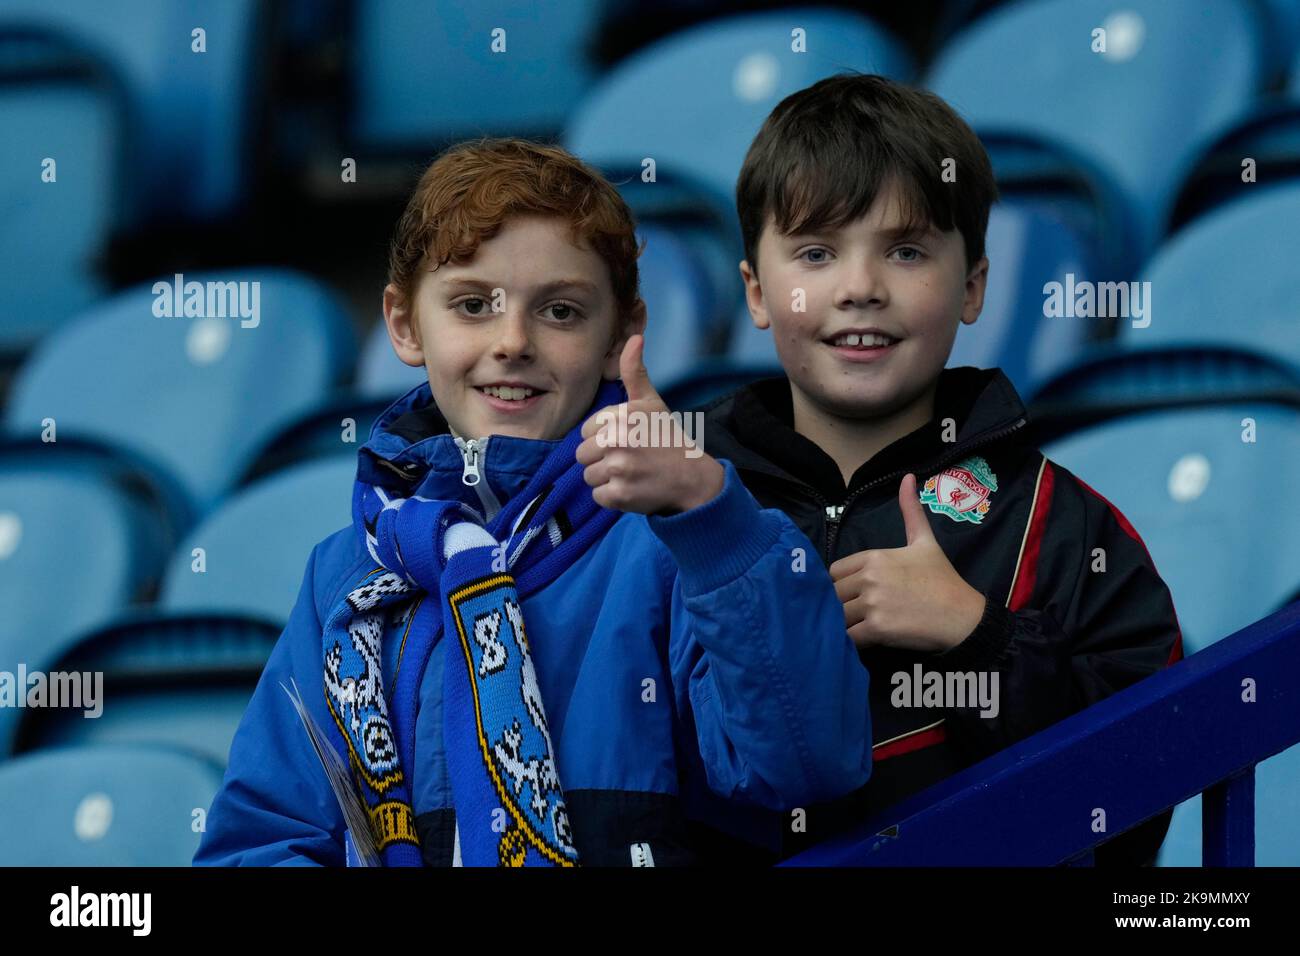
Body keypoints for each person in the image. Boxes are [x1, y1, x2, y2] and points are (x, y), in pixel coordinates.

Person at [193, 137, 871, 867]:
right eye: (473, 304)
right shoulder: (342, 578)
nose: (513, 341)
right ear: (404, 325)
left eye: (560, 311)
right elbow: (261, 841)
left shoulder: (687, 538)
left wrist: (712, 520)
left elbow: (805, 768)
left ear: (623, 334)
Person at [699, 73, 1184, 864]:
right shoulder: (691, 510)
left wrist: (980, 640)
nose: (860, 288)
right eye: (816, 252)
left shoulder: (1058, 523)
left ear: (973, 286)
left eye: (907, 250)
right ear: (756, 290)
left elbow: (1142, 797)